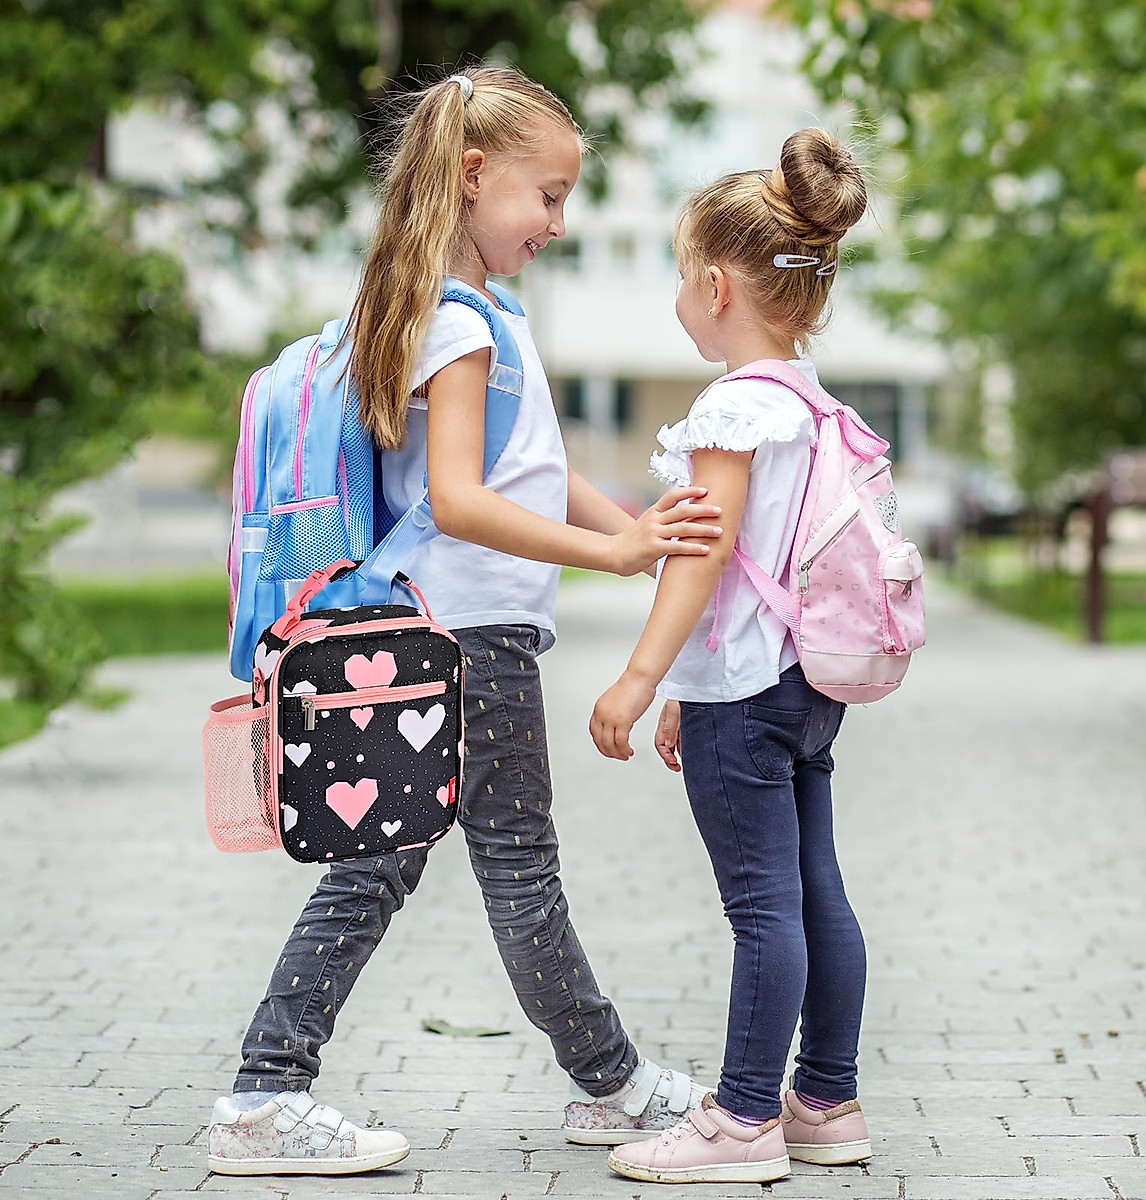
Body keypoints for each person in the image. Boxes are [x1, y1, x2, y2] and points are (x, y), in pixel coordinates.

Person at [207, 66, 721, 1178]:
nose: (558, 220)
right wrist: (610, 554)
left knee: (394, 865)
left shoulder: (465, 312)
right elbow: (459, 500)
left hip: (442, 633)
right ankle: (610, 1086)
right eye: (548, 193)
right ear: (475, 178)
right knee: (503, 867)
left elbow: (533, 475)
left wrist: (637, 537)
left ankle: (270, 1090)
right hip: (466, 639)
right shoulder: (458, 323)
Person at [590, 128, 874, 1185]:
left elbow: (700, 560)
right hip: (803, 684)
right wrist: (691, 687)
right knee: (814, 891)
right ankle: (827, 1101)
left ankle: (745, 1120)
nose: (677, 294)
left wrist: (641, 677)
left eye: (675, 274)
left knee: (763, 910)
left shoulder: (731, 409)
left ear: (716, 286)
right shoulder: (812, 403)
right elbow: (767, 563)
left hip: (744, 701)